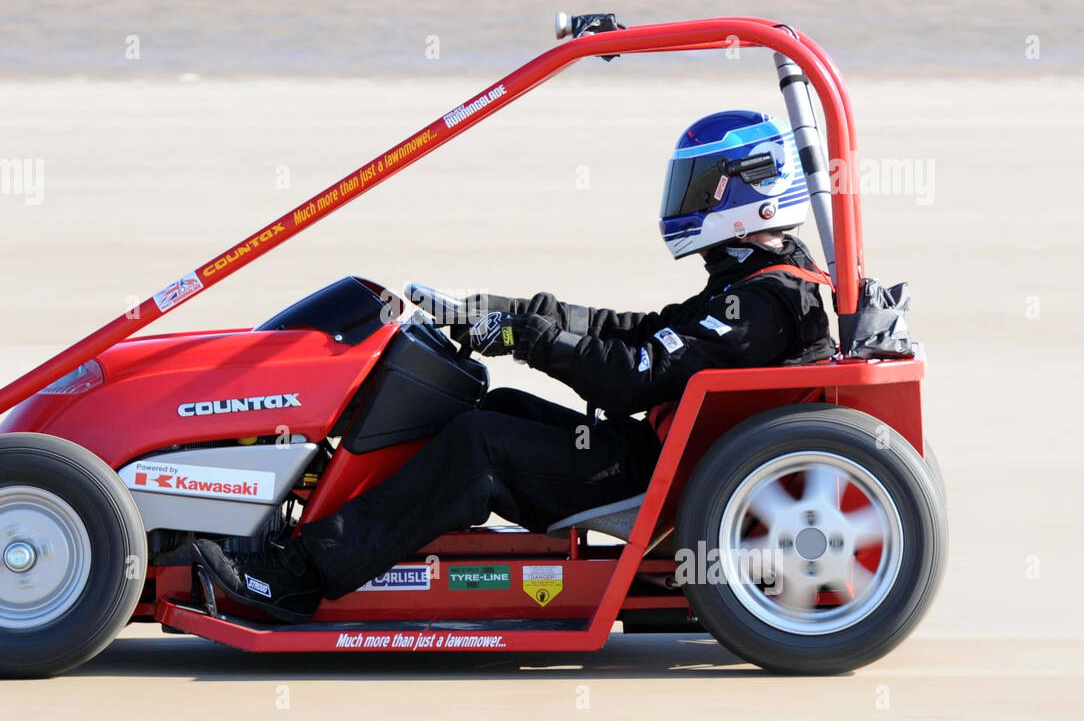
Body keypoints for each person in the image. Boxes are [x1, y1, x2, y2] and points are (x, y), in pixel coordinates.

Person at [194, 109, 837, 621]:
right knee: (492, 406)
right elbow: (642, 331)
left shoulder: (761, 304)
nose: (687, 199)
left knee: (482, 444)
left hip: (659, 482)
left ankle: (299, 576)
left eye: (701, 185)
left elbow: (634, 375)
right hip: (662, 457)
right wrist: (500, 312)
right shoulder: (763, 280)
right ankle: (352, 527)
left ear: (744, 189)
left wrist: (527, 337)